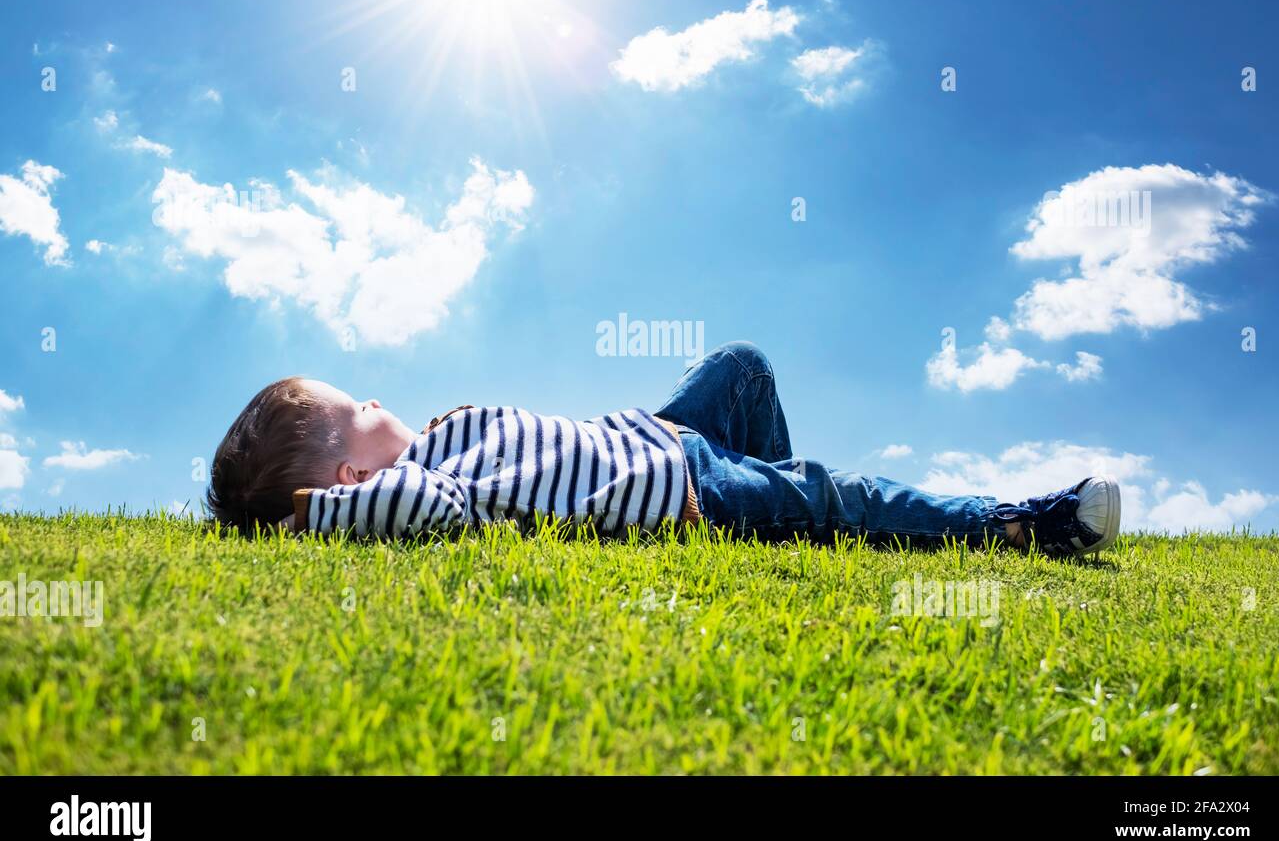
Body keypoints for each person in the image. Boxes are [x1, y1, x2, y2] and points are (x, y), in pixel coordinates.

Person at [206, 342, 1120, 556]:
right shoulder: (426, 489)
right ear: (353, 478)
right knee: (837, 494)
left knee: (742, 366)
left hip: (660, 434)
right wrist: (311, 513)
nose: (372, 397)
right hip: (682, 487)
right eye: (353, 410)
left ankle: (802, 514)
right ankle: (1023, 525)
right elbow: (413, 511)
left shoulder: (442, 434)